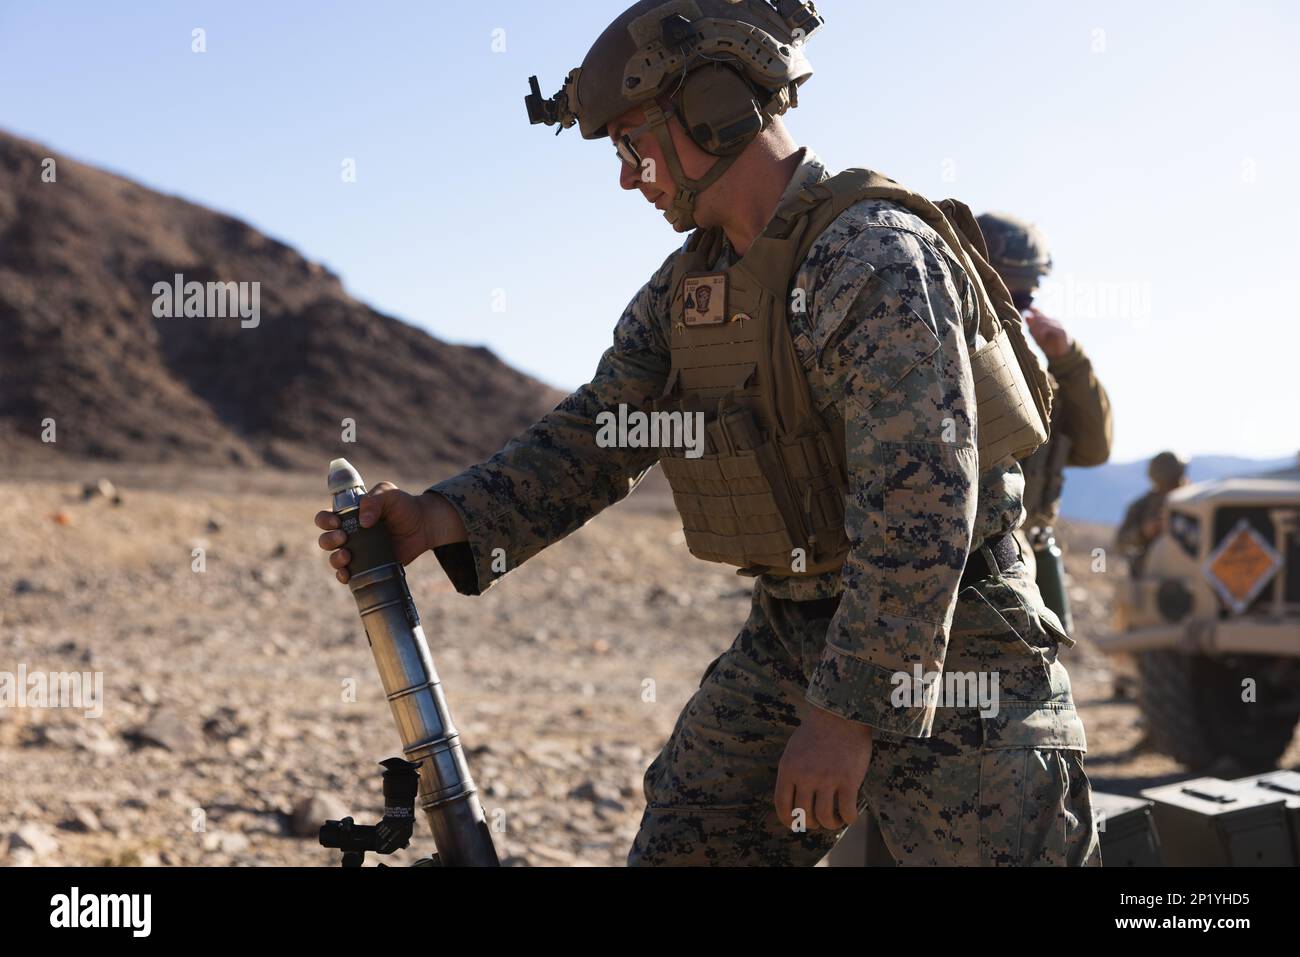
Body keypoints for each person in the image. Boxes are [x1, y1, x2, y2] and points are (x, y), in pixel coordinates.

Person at [316, 0, 1097, 866]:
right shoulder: (691, 287)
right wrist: (441, 516)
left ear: (712, 108)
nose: (627, 176)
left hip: (955, 643)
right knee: (689, 841)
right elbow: (602, 431)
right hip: (794, 631)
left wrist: (846, 715)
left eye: (630, 142)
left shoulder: (872, 256)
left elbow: (922, 507)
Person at [977, 213, 1112, 636]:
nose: (1019, 310)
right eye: (1010, 296)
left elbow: (1093, 449)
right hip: (979, 565)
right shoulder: (951, 356)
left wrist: (1068, 360)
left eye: (1026, 299)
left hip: (1028, 554)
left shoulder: (1041, 376)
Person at [1118, 451, 1189, 576]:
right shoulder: (1142, 507)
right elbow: (1120, 543)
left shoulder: (1194, 503)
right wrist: (1144, 532)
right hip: (1153, 572)